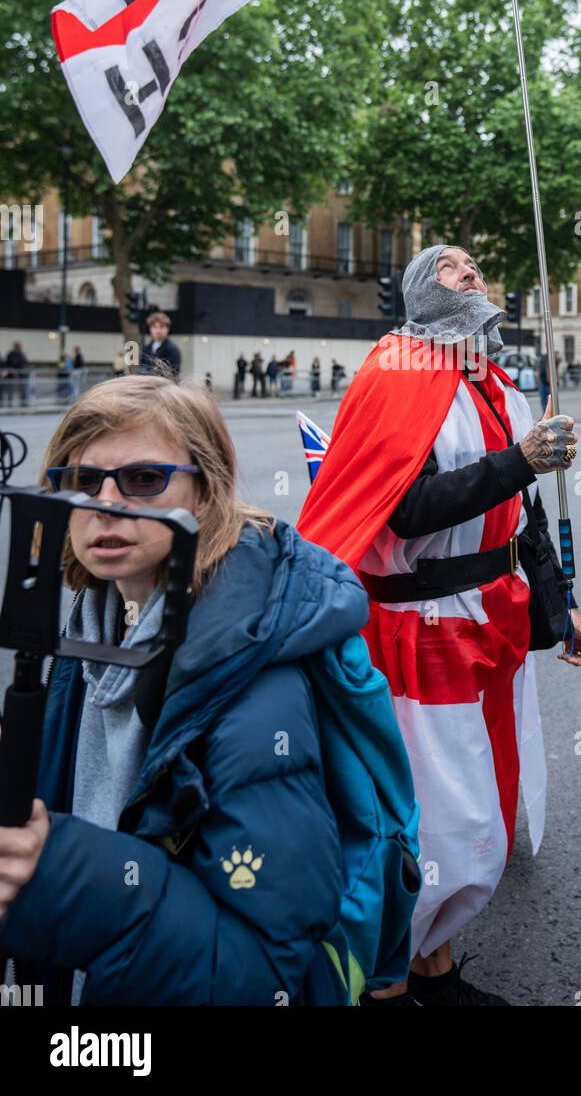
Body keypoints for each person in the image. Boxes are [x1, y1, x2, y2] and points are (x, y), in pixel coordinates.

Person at [0, 373, 416, 1005]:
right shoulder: (93, 623)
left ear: (205, 491)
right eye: (85, 481)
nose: (108, 501)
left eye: (144, 479)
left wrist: (58, 873)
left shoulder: (253, 686)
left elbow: (264, 966)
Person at [298, 243, 581, 1006]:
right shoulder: (394, 371)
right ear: (417, 294)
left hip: (490, 622)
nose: (469, 272)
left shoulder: (498, 382)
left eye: (473, 265)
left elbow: (523, 518)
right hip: (420, 626)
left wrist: (560, 606)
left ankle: (429, 964)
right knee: (444, 820)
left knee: (483, 803)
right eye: (450, 267)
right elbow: (401, 510)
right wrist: (520, 463)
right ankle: (390, 979)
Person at [140, 312, 181, 378]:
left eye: (161, 327)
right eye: (154, 327)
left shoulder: (173, 350)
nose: (158, 330)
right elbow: (141, 368)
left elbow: (174, 374)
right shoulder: (146, 349)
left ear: (167, 329)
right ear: (150, 328)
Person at [6, 341, 29, 406]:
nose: (19, 347)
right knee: (11, 391)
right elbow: (8, 364)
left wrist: (25, 370)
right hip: (12, 376)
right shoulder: (10, 354)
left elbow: (25, 363)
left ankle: (23, 404)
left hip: (22, 376)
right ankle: (9, 405)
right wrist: (13, 371)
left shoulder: (22, 354)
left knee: (23, 391)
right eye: (18, 346)